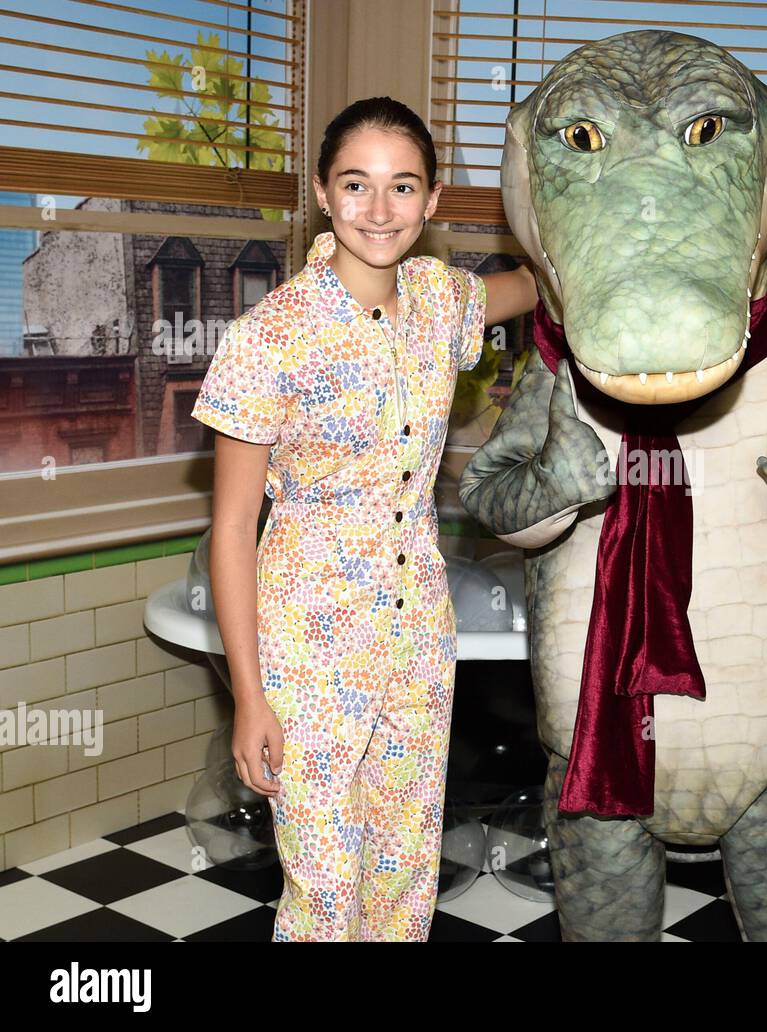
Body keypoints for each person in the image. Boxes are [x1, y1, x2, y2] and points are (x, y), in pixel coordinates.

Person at [191, 96, 538, 941]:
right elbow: (234, 529)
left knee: (405, 871)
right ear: (321, 191)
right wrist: (249, 698)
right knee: (322, 887)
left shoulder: (440, 299)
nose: (379, 210)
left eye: (402, 187)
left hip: (419, 637)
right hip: (306, 648)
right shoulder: (268, 338)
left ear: (432, 198)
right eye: (356, 184)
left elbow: (535, 283)